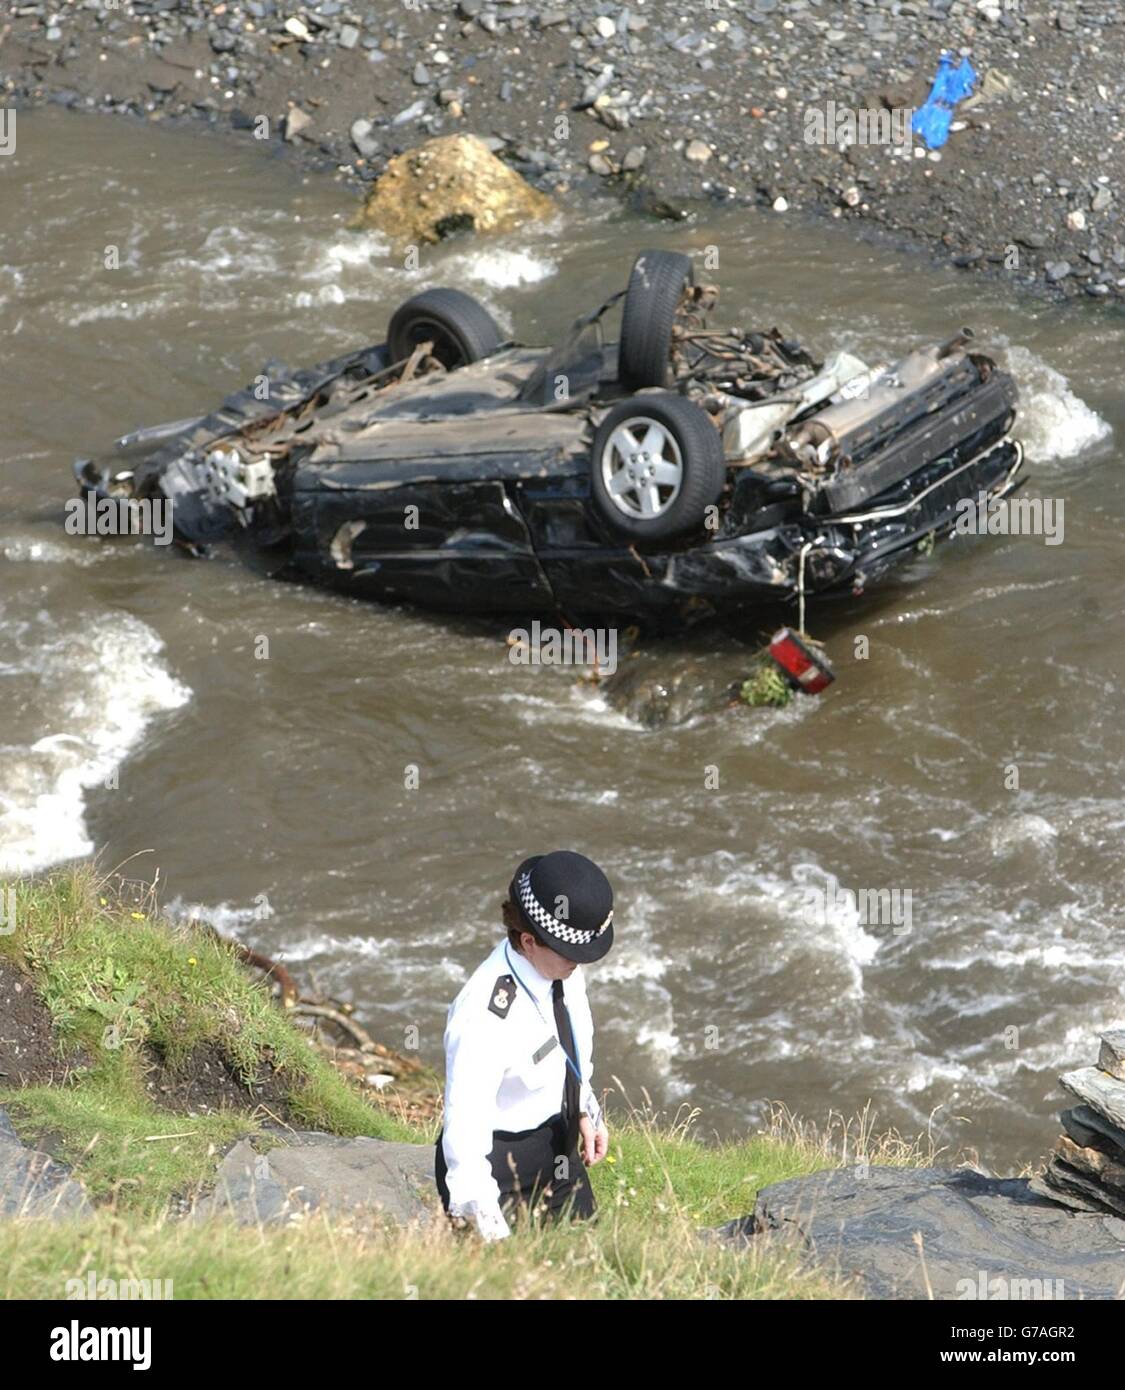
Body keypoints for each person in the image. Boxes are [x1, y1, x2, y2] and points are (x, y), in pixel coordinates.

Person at [435, 850, 614, 1241]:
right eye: (572, 954)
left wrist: (584, 1109)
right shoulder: (483, 1016)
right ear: (529, 941)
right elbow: (465, 1141)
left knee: (590, 1267)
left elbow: (573, 1045)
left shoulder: (562, 969)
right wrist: (493, 1238)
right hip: (500, 1171)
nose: (580, 963)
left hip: (559, 1151)